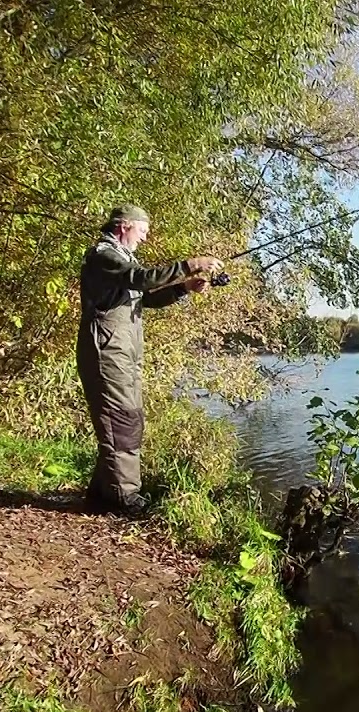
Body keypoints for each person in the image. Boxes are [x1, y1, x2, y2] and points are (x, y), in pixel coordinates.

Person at [76, 204, 223, 517]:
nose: (145, 237)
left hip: (122, 351)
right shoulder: (104, 256)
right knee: (122, 421)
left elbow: (146, 296)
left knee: (127, 419)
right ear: (124, 226)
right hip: (107, 350)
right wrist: (190, 264)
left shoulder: (122, 258)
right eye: (142, 231)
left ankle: (103, 493)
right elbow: (140, 279)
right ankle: (124, 499)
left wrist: (183, 288)